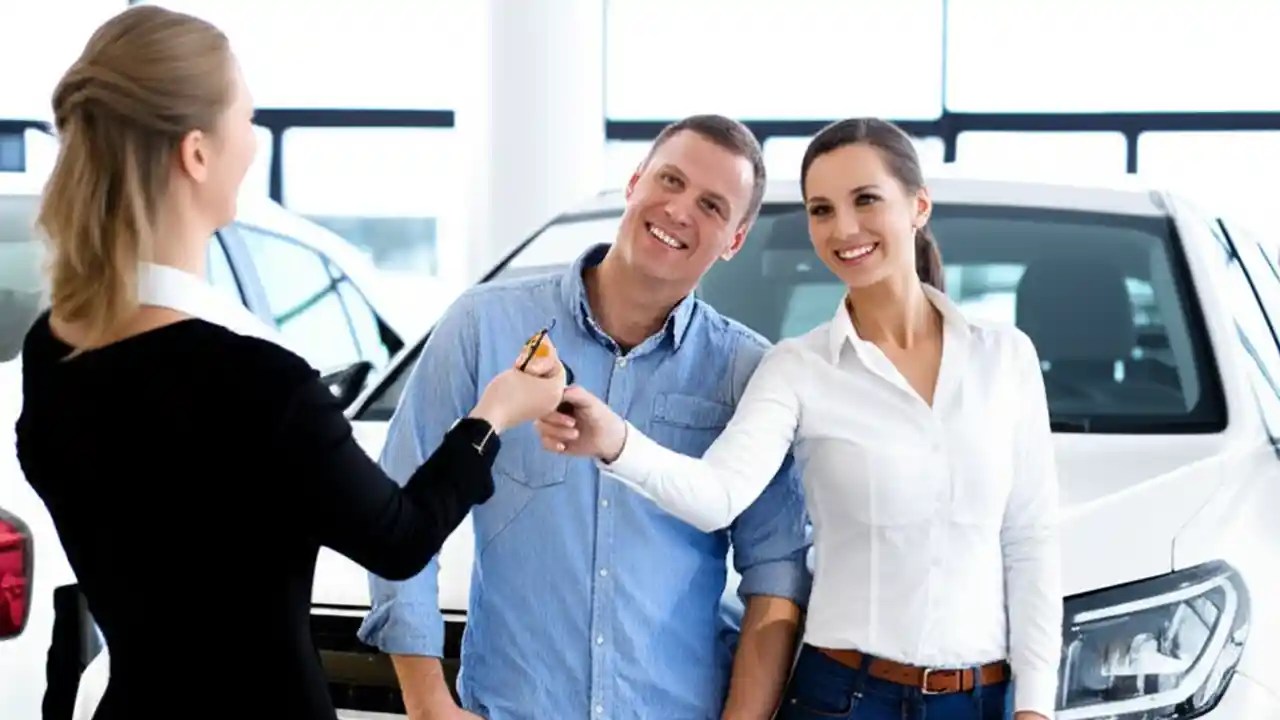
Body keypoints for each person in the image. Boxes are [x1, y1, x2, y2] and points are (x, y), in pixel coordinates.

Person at [13, 7, 565, 719]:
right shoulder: (259, 383)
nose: (253, 141)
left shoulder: (49, 351)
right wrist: (496, 413)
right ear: (197, 152)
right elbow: (399, 539)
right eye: (246, 118)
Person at [534, 118, 1062, 720]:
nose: (844, 229)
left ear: (917, 205)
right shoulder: (797, 368)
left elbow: (1030, 541)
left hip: (981, 702)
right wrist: (615, 441)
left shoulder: (1006, 358)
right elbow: (718, 496)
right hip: (842, 698)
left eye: (865, 200)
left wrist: (1036, 707)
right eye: (821, 210)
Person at [356, 115, 813, 719]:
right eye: (669, 180)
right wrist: (426, 701)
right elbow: (400, 508)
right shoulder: (483, 327)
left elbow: (776, 570)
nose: (679, 210)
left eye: (711, 204)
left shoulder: (749, 374)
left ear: (733, 239)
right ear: (634, 183)